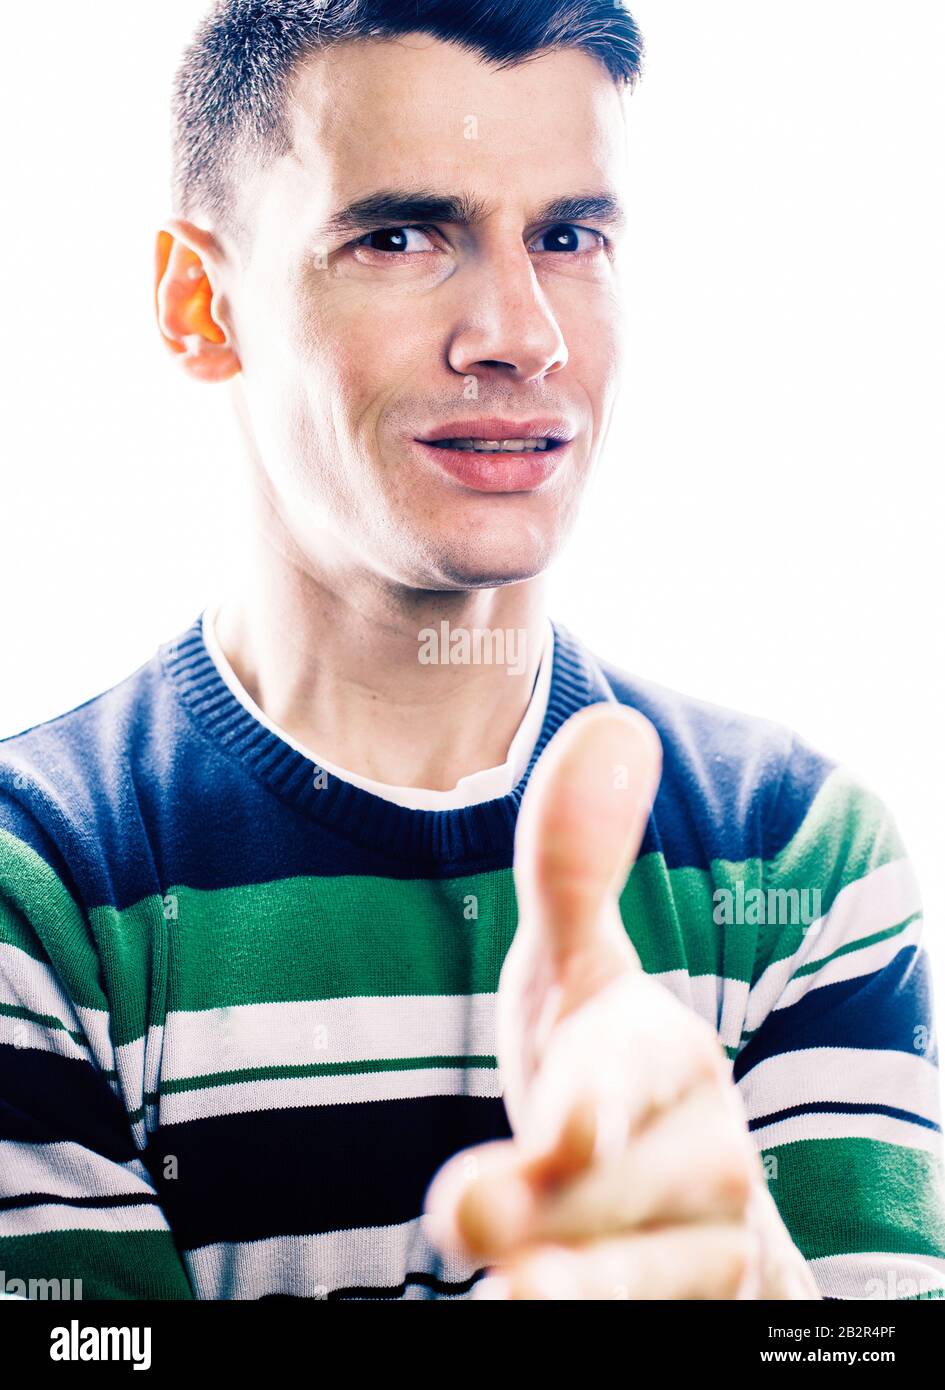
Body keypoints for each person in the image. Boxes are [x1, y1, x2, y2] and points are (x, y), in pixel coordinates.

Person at [1, 0, 942, 1302]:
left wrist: (759, 1303)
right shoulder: (35, 882)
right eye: (400, 235)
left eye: (566, 236)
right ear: (196, 301)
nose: (519, 333)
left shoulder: (795, 852)